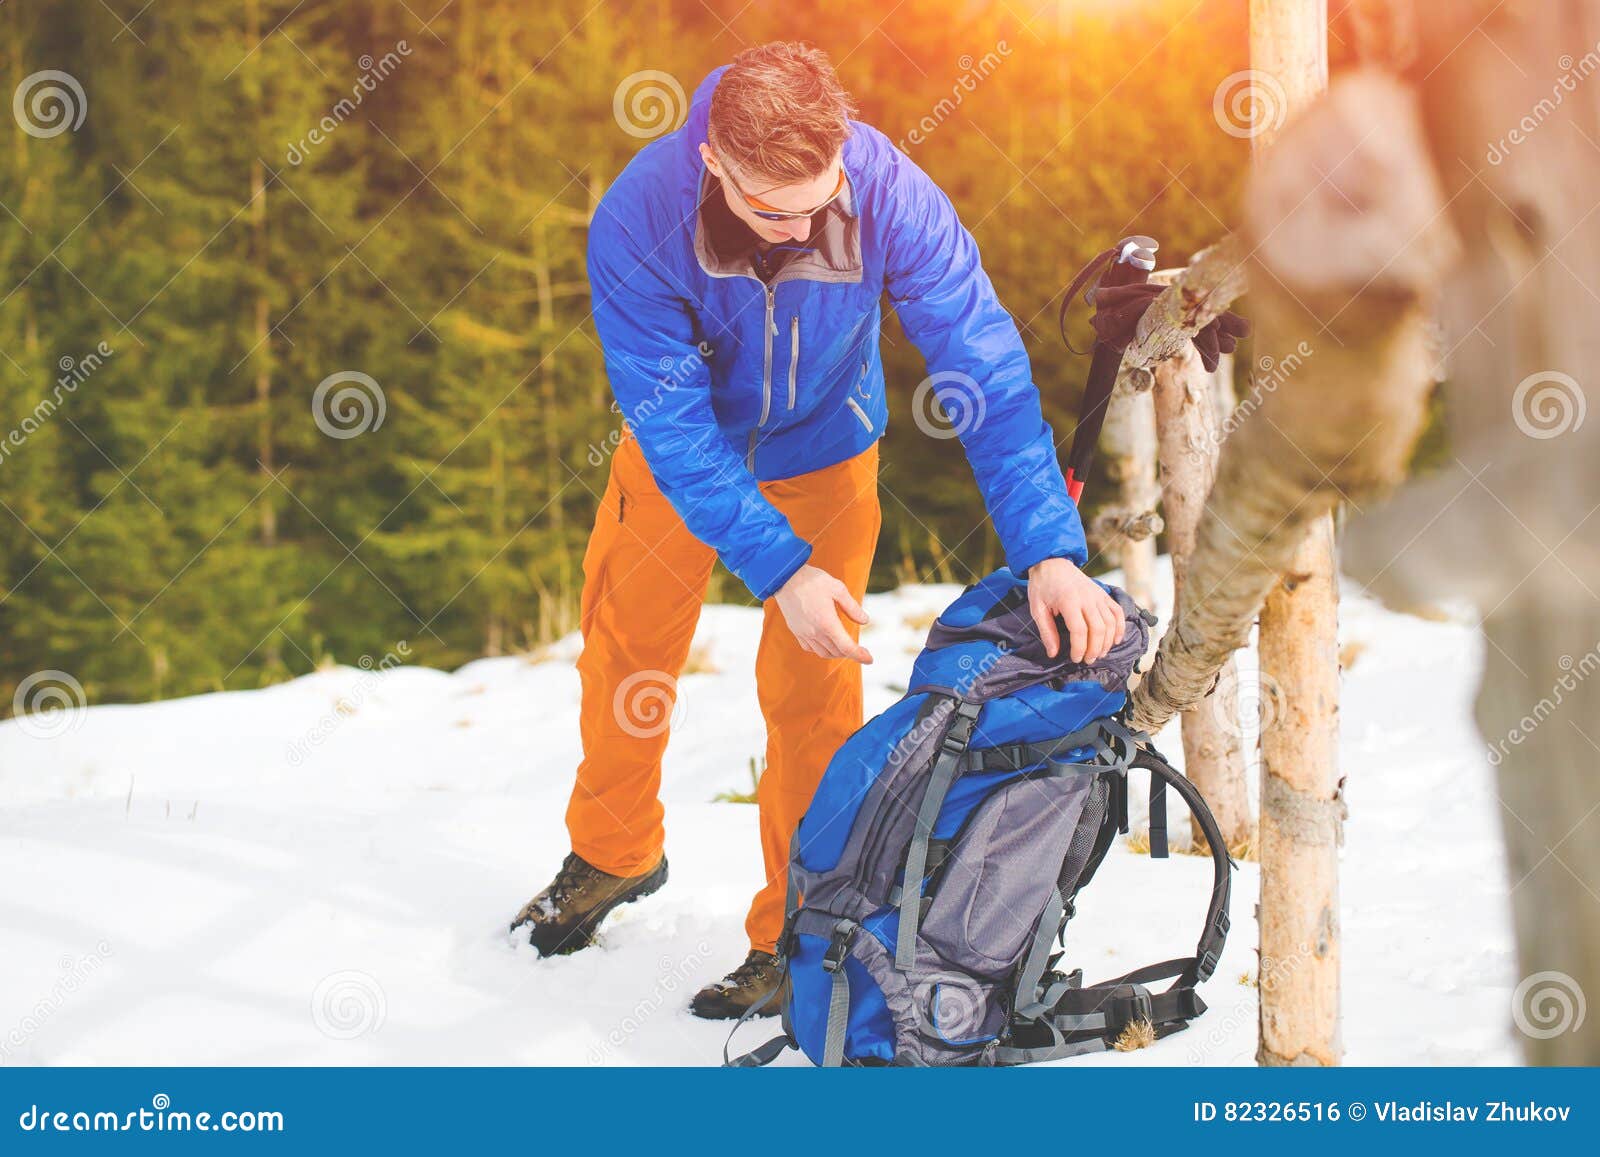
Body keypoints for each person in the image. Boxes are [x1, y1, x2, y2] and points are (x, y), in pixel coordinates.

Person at [510, 41, 1124, 1020]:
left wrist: (1047, 546)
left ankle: (794, 932)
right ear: (714, 161)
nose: (803, 229)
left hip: (826, 451)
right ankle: (611, 849)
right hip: (683, 456)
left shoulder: (885, 189)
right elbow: (674, 424)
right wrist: (778, 567)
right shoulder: (639, 216)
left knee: (813, 694)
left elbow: (979, 356)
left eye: (819, 200)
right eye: (773, 212)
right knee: (626, 651)